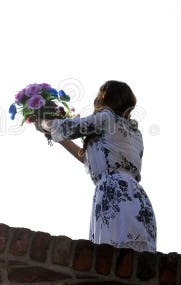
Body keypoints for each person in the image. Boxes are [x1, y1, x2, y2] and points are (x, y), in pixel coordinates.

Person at [38, 80, 156, 252]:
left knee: (109, 257)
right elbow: (91, 159)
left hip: (114, 191)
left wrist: (43, 123)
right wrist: (59, 139)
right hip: (135, 195)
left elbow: (70, 127)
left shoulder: (106, 118)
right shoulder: (135, 132)